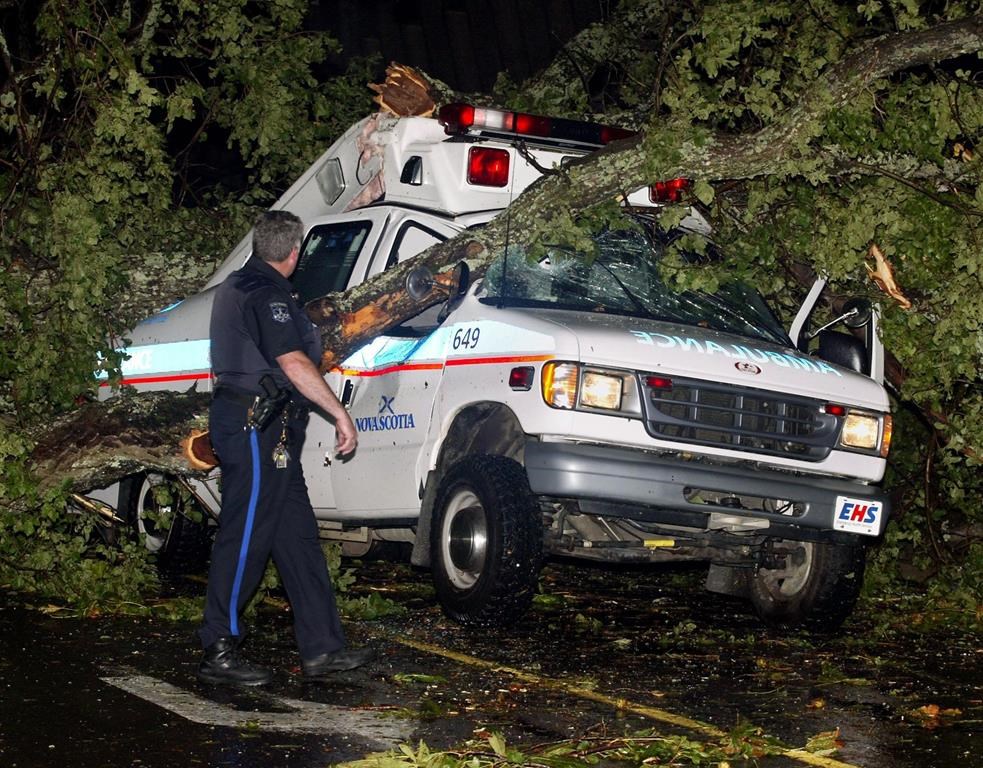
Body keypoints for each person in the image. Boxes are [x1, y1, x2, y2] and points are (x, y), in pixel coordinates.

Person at [197, 210, 373, 686]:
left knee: (296, 539)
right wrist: (339, 413)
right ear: (294, 253)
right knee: (246, 533)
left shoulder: (242, 285)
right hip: (256, 427)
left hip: (268, 432)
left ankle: (322, 648)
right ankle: (219, 644)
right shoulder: (264, 293)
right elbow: (292, 362)